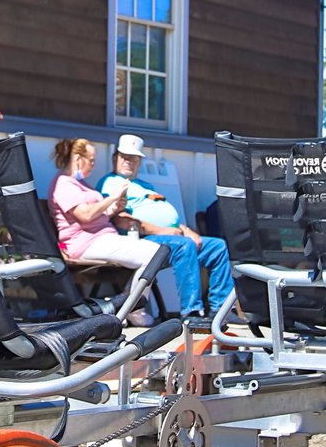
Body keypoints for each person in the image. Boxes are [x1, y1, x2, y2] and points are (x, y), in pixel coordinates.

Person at [100, 134, 235, 319]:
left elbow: (166, 218)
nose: (128, 162)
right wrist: (164, 231)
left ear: (140, 162)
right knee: (185, 246)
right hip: (142, 239)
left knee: (218, 247)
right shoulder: (111, 183)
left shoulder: (144, 185)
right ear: (114, 158)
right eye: (124, 157)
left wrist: (186, 230)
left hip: (171, 236)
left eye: (134, 158)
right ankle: (192, 311)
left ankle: (221, 310)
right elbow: (120, 219)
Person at [46, 136, 157, 280]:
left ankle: (132, 293)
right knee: (154, 255)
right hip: (86, 243)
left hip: (101, 239)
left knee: (156, 253)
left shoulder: (79, 183)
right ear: (78, 159)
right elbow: (85, 215)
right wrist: (112, 197)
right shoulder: (64, 185)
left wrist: (115, 208)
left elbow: (95, 214)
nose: (93, 165)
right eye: (91, 161)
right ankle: (131, 295)